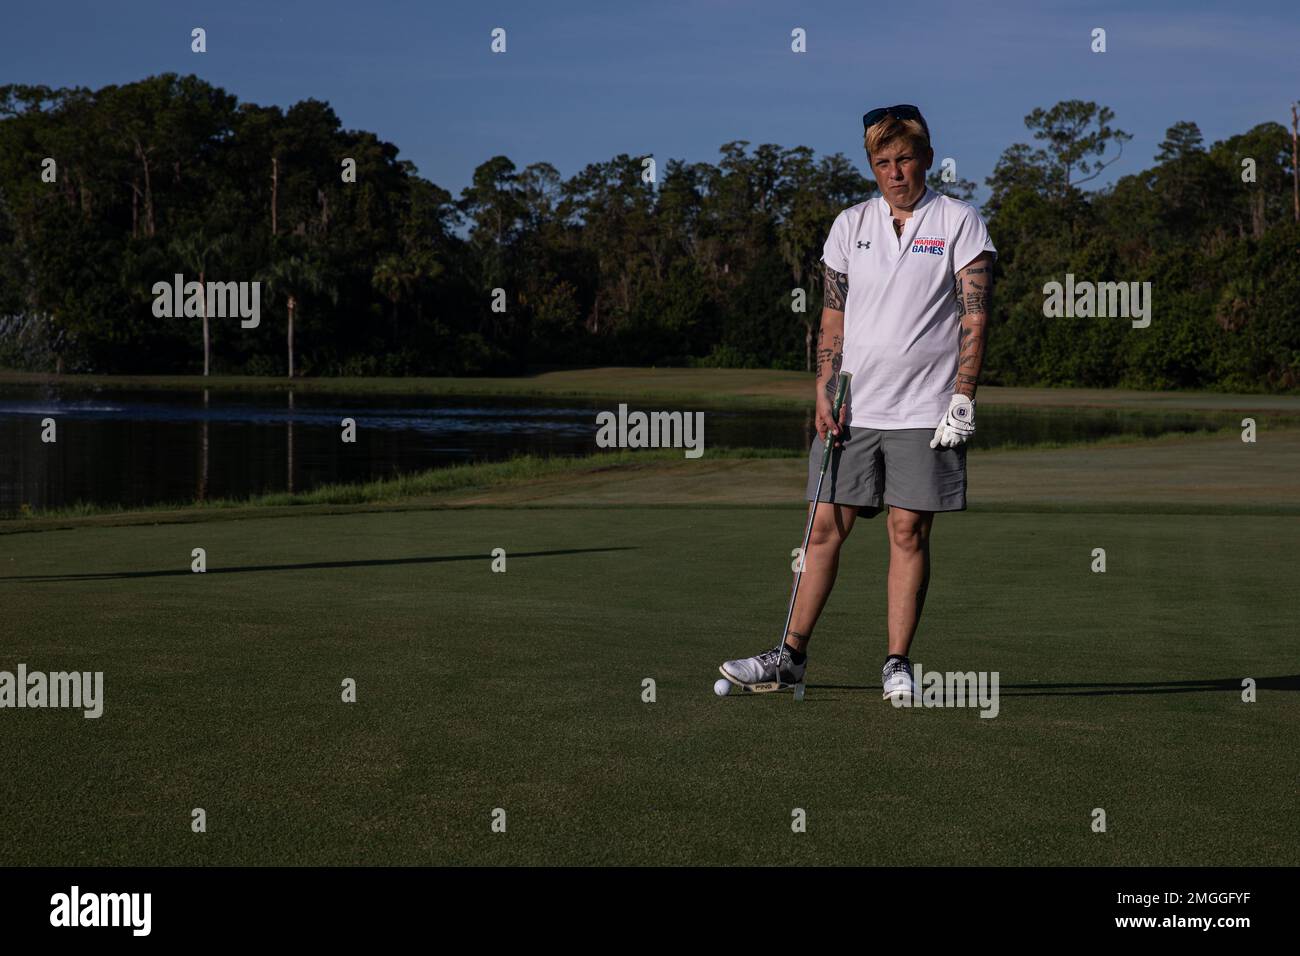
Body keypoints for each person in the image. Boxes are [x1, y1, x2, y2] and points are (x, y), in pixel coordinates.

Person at [720, 105, 996, 702]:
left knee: (907, 531)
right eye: (882, 162)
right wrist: (823, 386)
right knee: (823, 528)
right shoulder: (850, 224)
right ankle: (789, 657)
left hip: (925, 409)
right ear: (871, 166)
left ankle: (897, 663)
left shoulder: (959, 221)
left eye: (905, 159)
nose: (895, 173)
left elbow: (974, 313)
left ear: (926, 156)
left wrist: (963, 396)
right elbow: (833, 316)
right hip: (853, 406)